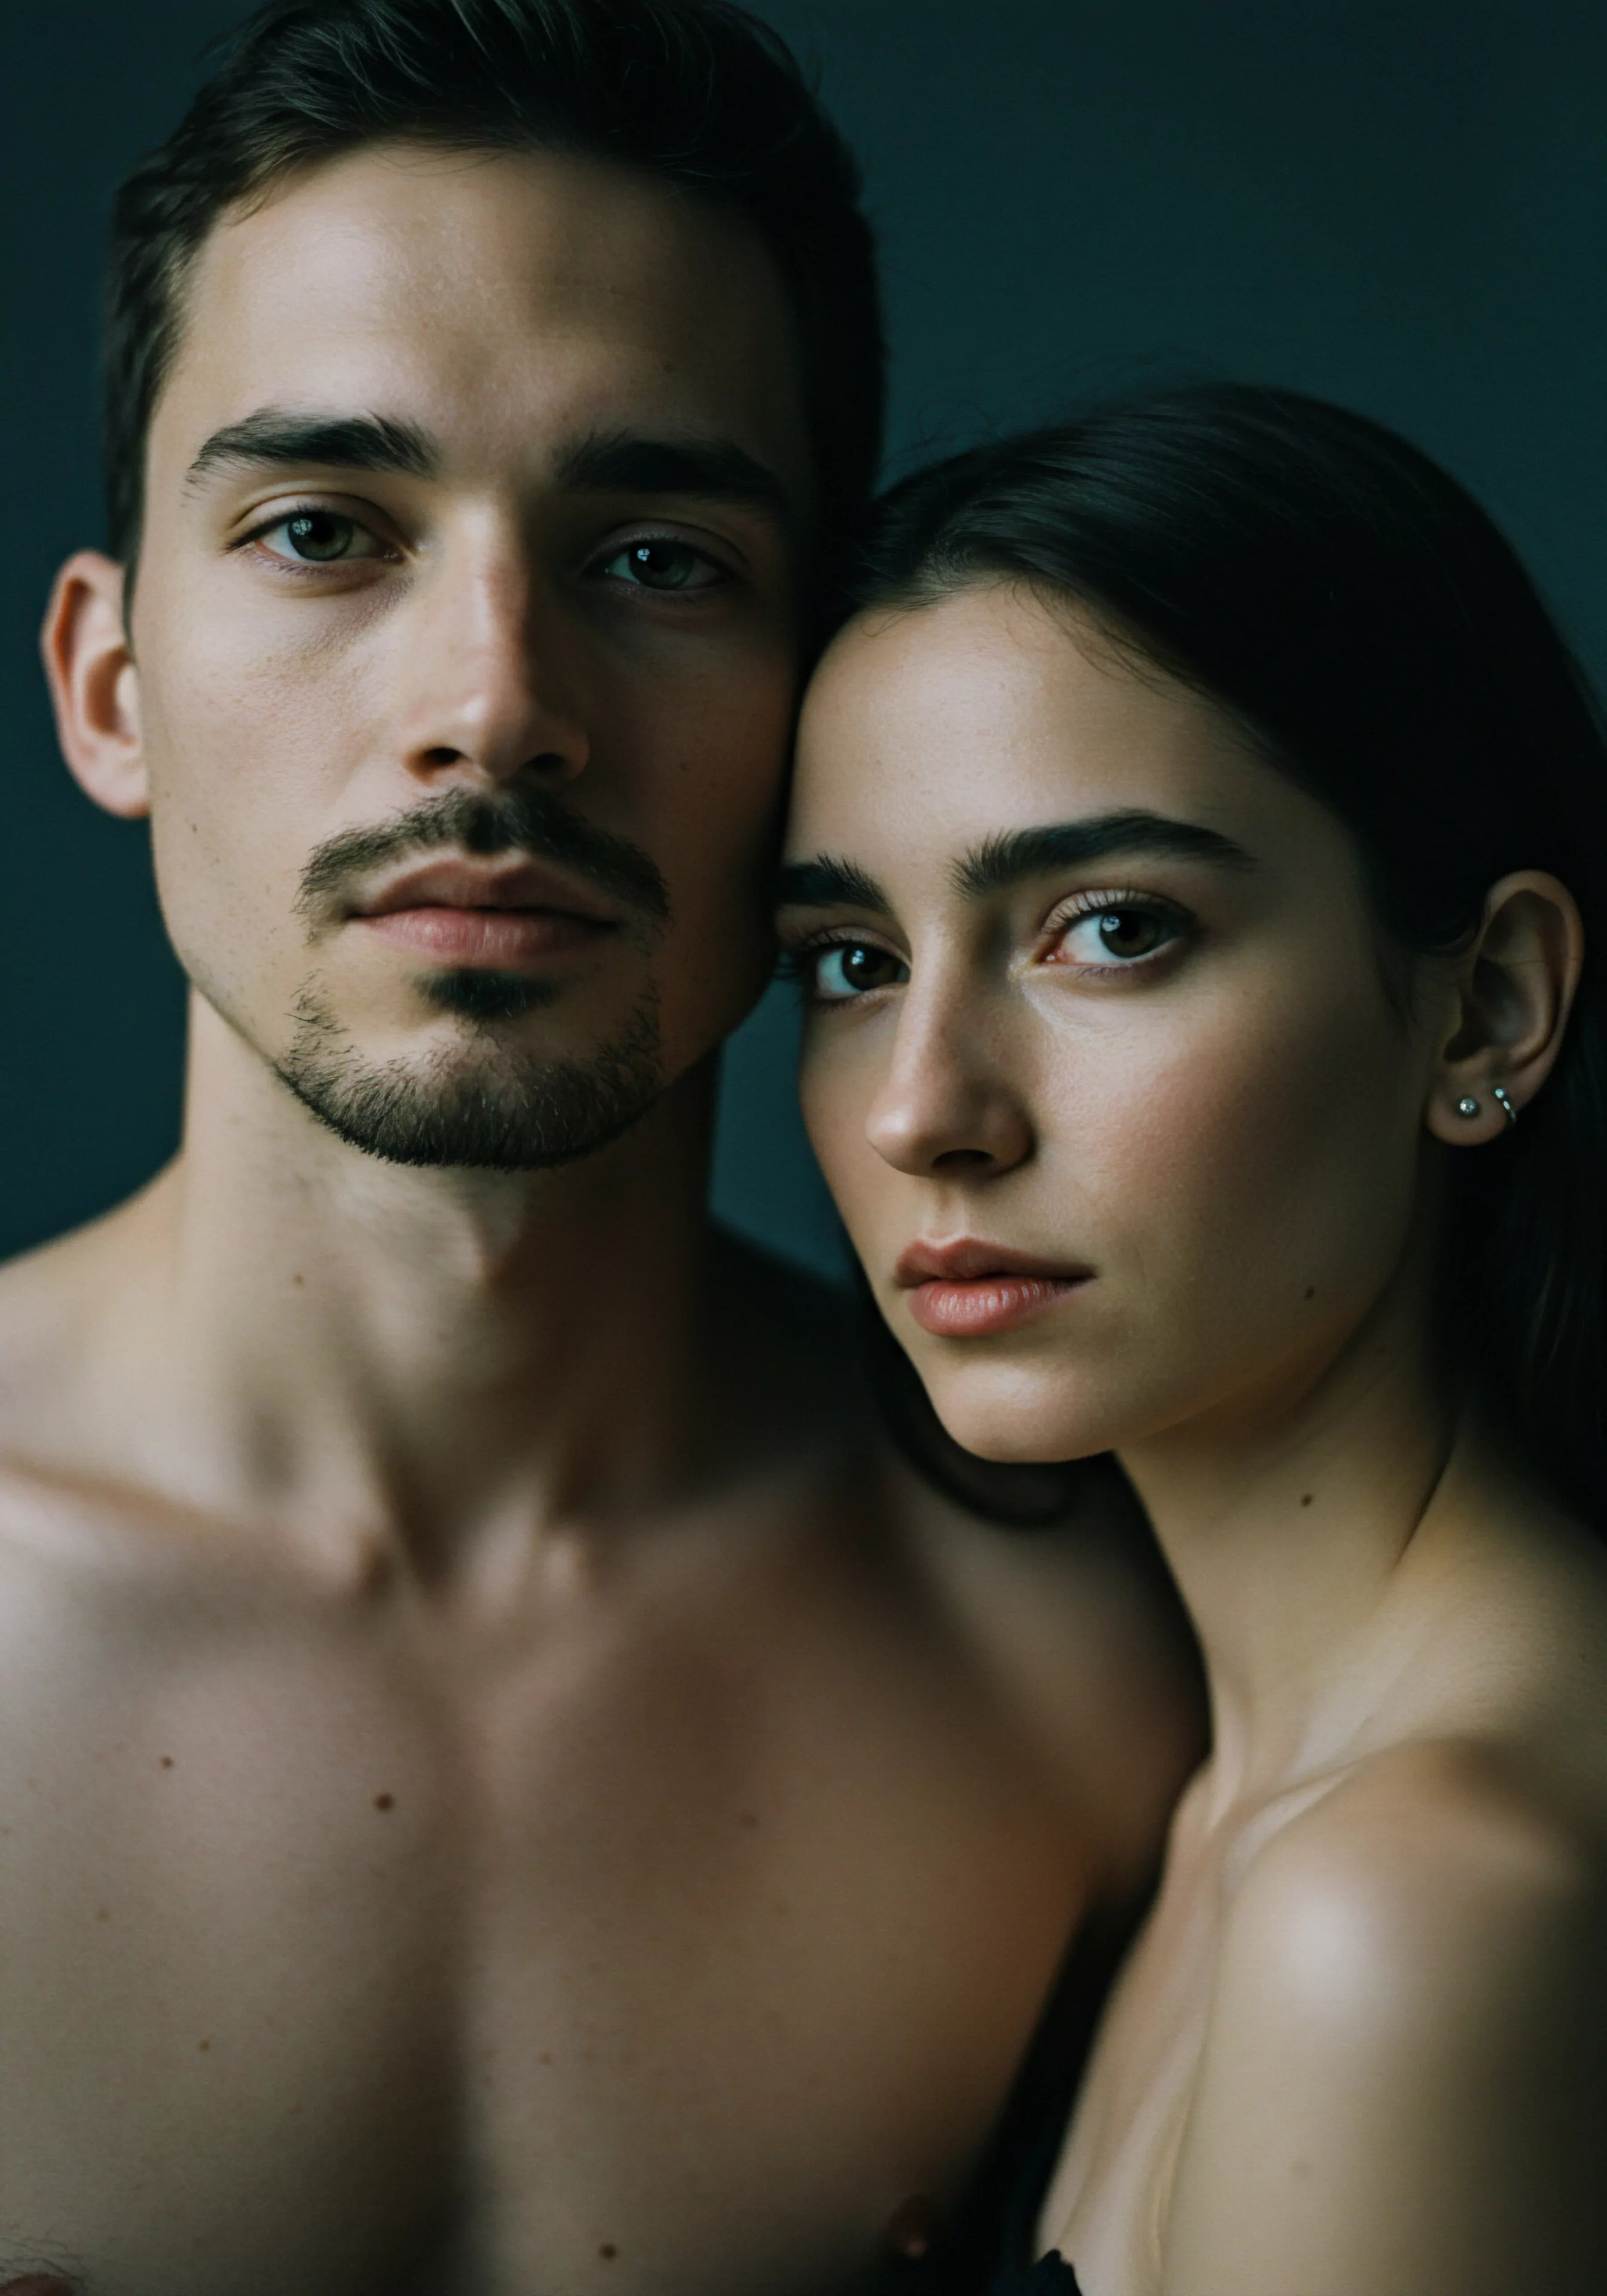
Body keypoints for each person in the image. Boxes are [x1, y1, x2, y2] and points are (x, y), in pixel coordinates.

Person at [6, 4, 1203, 2290]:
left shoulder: (1102, 1649)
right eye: (323, 529)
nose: (495, 702)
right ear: (110, 687)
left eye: (657, 559)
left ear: (829, 701)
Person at [778, 383, 1607, 2296]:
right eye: (851, 960)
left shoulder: (1412, 1913)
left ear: (1484, 1008)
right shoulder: (1197, 1803)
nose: (926, 1111)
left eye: (1110, 929)